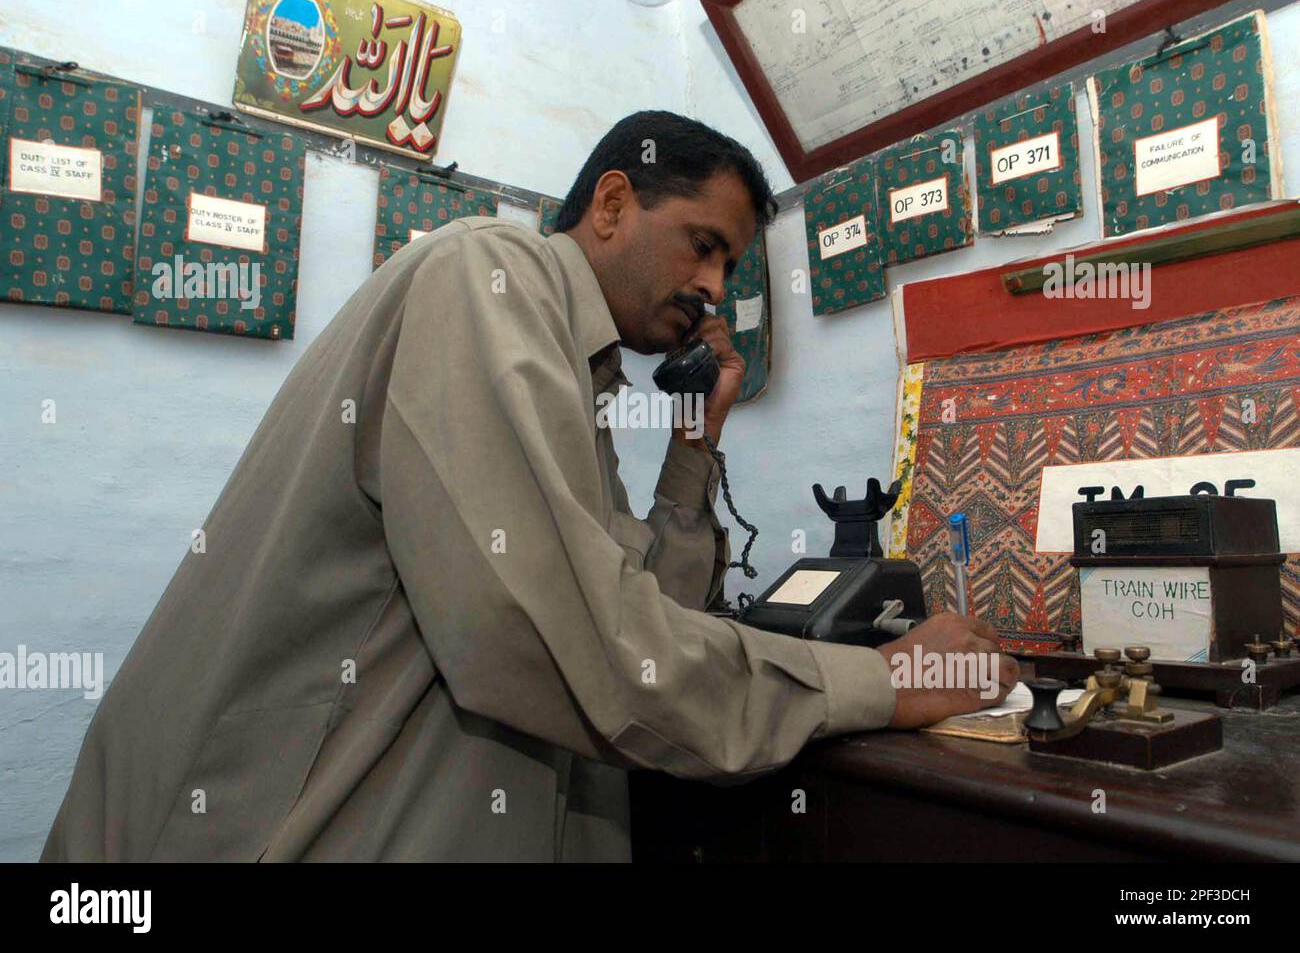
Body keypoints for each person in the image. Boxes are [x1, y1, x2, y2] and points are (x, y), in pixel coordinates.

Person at [42, 111, 1015, 862]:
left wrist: (694, 435)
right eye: (703, 244)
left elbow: (643, 611)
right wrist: (883, 679)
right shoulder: (485, 276)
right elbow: (564, 645)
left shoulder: (575, 376)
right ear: (611, 203)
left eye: (731, 263)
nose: (717, 287)